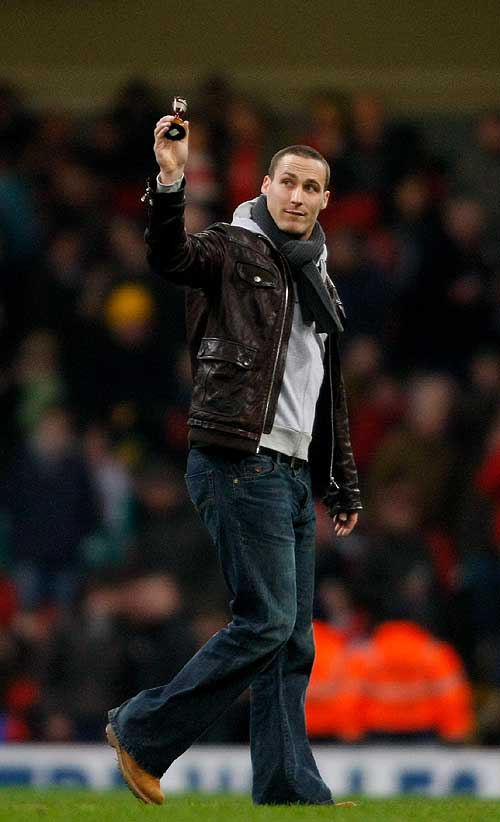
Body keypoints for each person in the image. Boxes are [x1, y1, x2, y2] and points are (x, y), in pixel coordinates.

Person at [106, 111, 362, 807]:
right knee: (268, 624)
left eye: (312, 186)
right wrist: (169, 180)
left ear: (325, 199)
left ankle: (286, 785)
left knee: (291, 643)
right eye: (288, 182)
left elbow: (323, 389)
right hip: (238, 461)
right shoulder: (232, 247)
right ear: (267, 186)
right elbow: (170, 258)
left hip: (289, 472)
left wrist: (339, 480)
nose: (298, 196)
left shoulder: (317, 273)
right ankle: (143, 729)